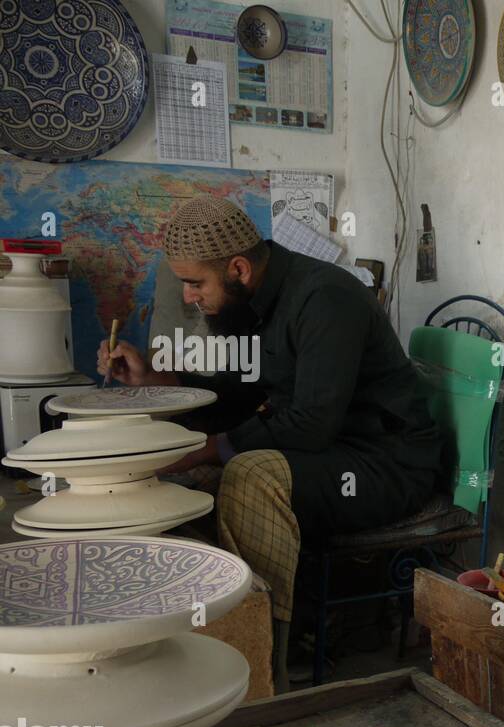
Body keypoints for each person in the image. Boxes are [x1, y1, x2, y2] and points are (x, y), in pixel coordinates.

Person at [98, 195, 446, 688]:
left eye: (196, 283)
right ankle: (216, 634)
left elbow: (310, 422)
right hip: (332, 450)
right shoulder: (260, 301)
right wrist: (158, 382)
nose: (191, 297)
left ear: (238, 268)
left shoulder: (326, 297)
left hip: (385, 463)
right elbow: (249, 393)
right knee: (201, 475)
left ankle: (263, 667)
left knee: (246, 471)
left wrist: (208, 447)